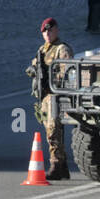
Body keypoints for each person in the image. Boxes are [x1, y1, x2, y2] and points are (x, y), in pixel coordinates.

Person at [29, 18, 74, 180]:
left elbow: (67, 71)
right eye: (44, 32)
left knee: (53, 131)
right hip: (45, 96)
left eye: (50, 30)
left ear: (57, 30)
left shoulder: (62, 49)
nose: (47, 34)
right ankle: (63, 167)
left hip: (56, 95)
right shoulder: (42, 50)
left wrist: (53, 79)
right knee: (51, 130)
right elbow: (35, 68)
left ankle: (56, 164)